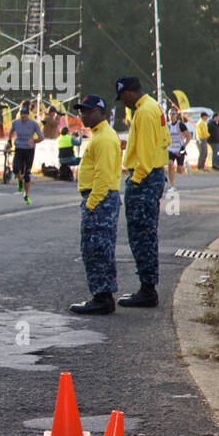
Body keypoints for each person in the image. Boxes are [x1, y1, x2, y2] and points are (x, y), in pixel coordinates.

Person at [113, 76, 168, 308]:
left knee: (141, 235)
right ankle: (148, 288)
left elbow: (144, 153)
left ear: (128, 93)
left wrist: (135, 181)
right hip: (153, 176)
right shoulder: (151, 105)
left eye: (122, 97)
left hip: (144, 178)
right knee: (146, 234)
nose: (122, 103)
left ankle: (147, 290)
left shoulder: (144, 112)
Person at [69, 96, 122, 315]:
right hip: (101, 199)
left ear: (102, 113)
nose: (84, 115)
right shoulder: (101, 135)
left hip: (99, 199)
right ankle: (103, 296)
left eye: (89, 111)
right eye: (82, 111)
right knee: (101, 248)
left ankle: (101, 298)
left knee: (96, 249)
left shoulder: (104, 138)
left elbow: (103, 174)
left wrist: (91, 204)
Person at [9, 103, 43, 203]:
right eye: (21, 114)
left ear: (28, 115)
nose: (23, 116)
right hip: (19, 148)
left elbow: (41, 137)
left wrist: (34, 141)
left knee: (27, 174)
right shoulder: (15, 123)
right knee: (15, 169)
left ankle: (26, 195)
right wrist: (9, 141)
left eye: (25, 114)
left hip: (29, 150)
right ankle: (20, 180)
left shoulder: (33, 124)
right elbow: (11, 132)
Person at [166, 107, 185, 190]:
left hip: (179, 148)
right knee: (170, 165)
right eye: (170, 113)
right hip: (170, 149)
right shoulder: (167, 125)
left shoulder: (180, 124)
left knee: (180, 170)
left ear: (176, 115)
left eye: (173, 114)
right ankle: (172, 185)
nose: (171, 115)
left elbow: (188, 136)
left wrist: (184, 145)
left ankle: (183, 166)